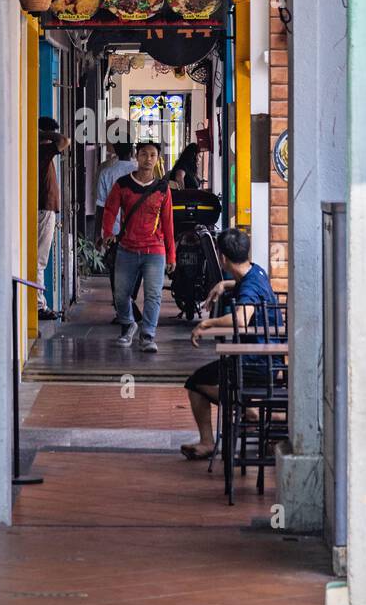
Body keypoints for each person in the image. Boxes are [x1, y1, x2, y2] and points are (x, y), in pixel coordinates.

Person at [179, 227, 283, 459]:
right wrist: (224, 285)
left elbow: (240, 319)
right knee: (207, 379)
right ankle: (251, 410)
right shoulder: (257, 272)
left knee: (195, 383)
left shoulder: (250, 286)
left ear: (223, 258)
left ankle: (252, 412)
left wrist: (208, 324)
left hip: (254, 364)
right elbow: (247, 287)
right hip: (269, 359)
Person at [101, 140, 176, 353]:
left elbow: (168, 223)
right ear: (137, 155)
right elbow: (110, 210)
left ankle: (148, 335)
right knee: (121, 295)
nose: (148, 159)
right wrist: (107, 233)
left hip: (155, 250)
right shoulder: (123, 184)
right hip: (127, 249)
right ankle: (128, 324)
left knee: (153, 295)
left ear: (158, 158)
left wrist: (171, 255)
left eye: (153, 155)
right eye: (144, 154)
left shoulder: (163, 189)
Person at [37, 116, 70, 319]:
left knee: (40, 259)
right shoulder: (41, 150)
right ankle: (39, 305)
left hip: (46, 209)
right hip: (43, 209)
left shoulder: (43, 152)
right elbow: (64, 140)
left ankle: (39, 303)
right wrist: (41, 134)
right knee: (40, 260)